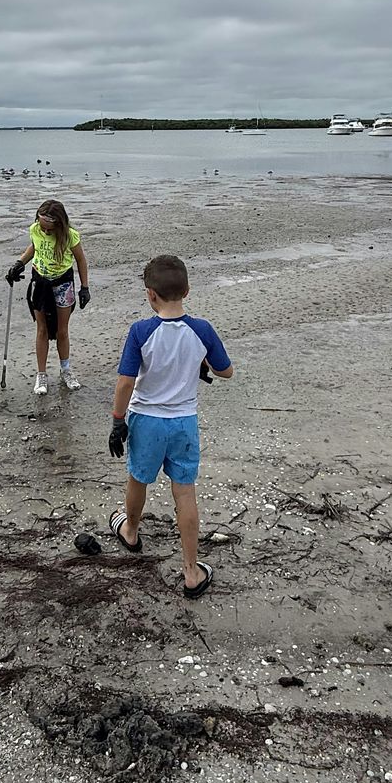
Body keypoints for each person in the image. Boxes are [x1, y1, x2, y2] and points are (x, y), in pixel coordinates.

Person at [107, 254, 233, 597]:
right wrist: (202, 360)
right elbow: (226, 371)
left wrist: (118, 422)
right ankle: (191, 571)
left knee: (138, 478)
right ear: (187, 290)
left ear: (150, 295)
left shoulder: (140, 331)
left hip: (146, 420)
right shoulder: (202, 330)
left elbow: (124, 383)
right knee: (185, 491)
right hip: (183, 422)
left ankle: (131, 531)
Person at [6, 199, 90, 395]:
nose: (45, 231)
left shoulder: (70, 236)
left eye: (49, 229)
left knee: (62, 330)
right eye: (42, 227)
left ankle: (66, 370)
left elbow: (80, 260)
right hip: (40, 283)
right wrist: (19, 264)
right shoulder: (35, 229)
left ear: (59, 224)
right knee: (42, 329)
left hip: (63, 284)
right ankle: (41, 374)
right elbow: (34, 247)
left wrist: (84, 287)